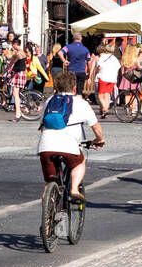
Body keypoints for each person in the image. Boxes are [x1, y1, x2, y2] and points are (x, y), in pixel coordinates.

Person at [37, 71, 104, 200]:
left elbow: (42, 126)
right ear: (74, 88)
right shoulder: (81, 103)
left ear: (56, 88)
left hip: (46, 147)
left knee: (49, 183)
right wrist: (99, 140)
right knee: (79, 163)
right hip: (69, 147)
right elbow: (95, 126)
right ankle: (74, 188)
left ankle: (47, 213)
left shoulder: (49, 101)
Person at [93, 44, 121, 117]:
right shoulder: (115, 58)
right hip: (112, 79)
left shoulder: (102, 57)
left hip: (103, 77)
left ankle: (105, 109)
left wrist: (96, 73)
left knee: (100, 96)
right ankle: (105, 111)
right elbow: (117, 70)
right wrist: (116, 80)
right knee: (107, 95)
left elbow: (99, 68)